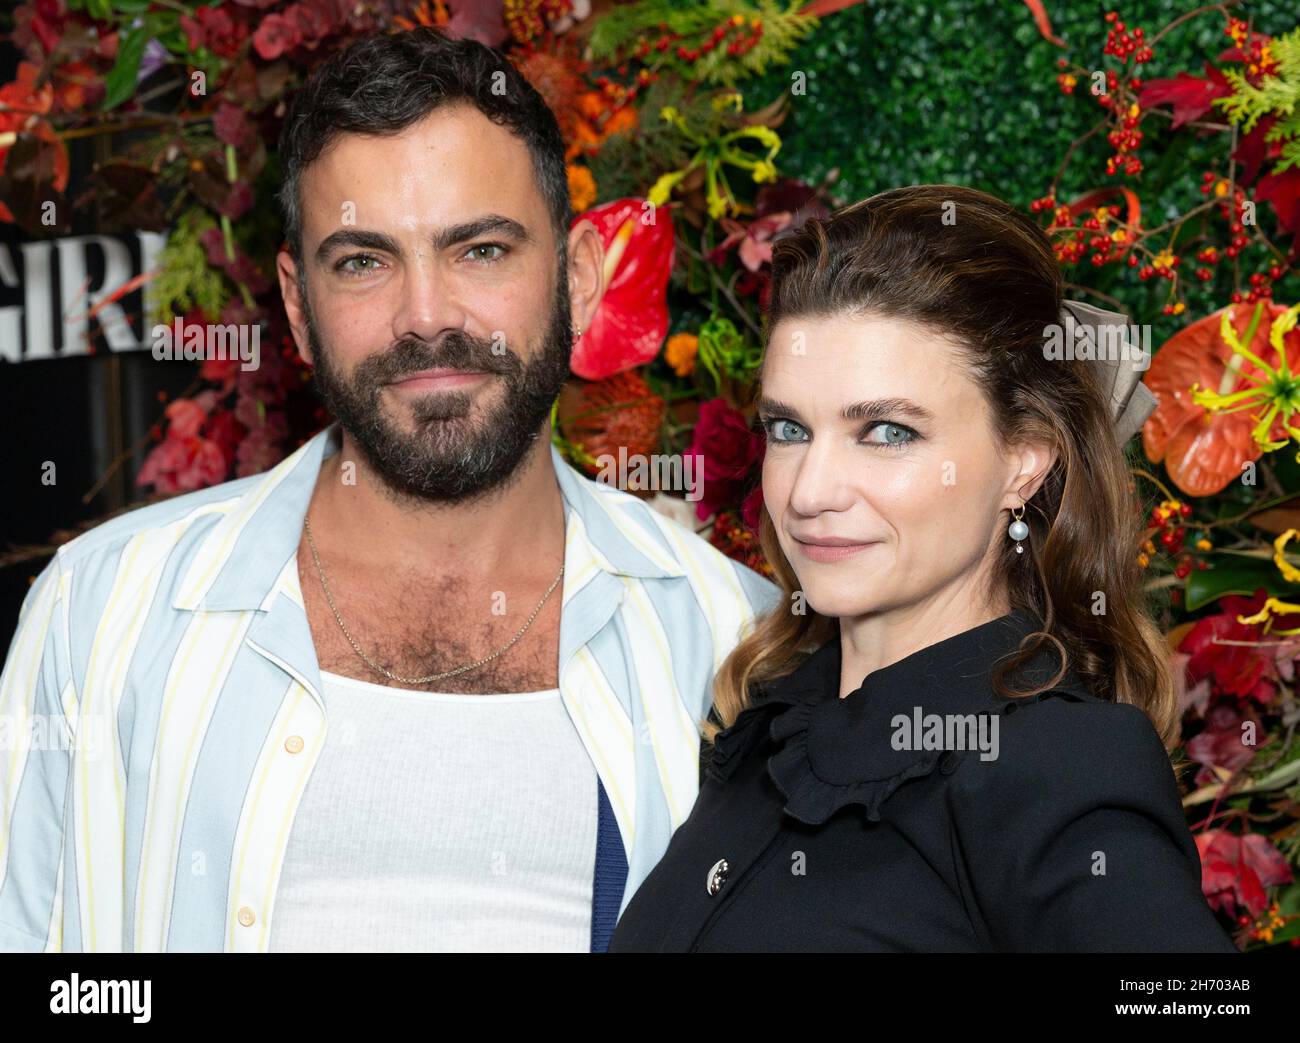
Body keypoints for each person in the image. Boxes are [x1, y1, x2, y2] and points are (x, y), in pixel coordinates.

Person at [0, 27, 779, 953]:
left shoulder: (731, 636)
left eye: (481, 250)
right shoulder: (105, 614)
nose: (426, 316)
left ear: (575, 275)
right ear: (295, 303)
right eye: (363, 260)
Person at [608, 184, 1240, 953]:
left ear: (1023, 461)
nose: (809, 492)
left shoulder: (1051, 764)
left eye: (885, 431)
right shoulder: (771, 724)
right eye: (788, 428)